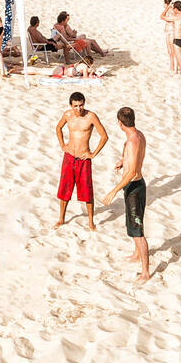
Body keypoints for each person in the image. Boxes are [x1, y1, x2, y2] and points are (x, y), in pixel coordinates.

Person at [102, 106, 148, 284]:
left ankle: (145, 272)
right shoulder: (138, 135)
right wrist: (124, 160)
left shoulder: (132, 141)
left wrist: (113, 191)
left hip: (135, 187)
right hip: (136, 186)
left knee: (138, 231)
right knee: (133, 225)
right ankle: (137, 255)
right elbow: (134, 157)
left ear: (120, 123)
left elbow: (132, 172)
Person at [54, 92, 109, 231]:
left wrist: (93, 154)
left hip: (84, 159)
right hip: (69, 156)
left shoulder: (91, 116)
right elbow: (58, 128)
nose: (79, 108)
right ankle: (61, 219)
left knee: (87, 191)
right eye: (76, 106)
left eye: (81, 105)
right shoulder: (67, 115)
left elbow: (104, 136)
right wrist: (62, 145)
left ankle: (91, 222)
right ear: (71, 105)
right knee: (65, 188)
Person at [160, 0, 176, 73]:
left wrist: (169, 7)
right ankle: (172, 66)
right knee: (169, 51)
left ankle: (174, 67)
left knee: (173, 50)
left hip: (172, 32)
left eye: (164, 3)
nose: (163, 5)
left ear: (166, 4)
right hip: (168, 32)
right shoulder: (169, 11)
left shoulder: (172, 11)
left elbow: (162, 17)